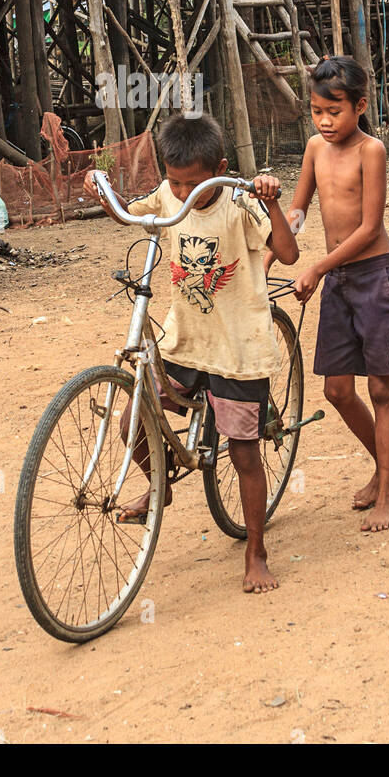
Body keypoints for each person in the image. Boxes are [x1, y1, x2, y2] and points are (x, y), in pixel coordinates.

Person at [83, 113, 298, 593]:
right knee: (131, 421)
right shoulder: (166, 195)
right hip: (184, 341)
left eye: (193, 184)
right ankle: (159, 488)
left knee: (243, 453)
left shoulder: (240, 203)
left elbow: (288, 253)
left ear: (220, 169)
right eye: (175, 182)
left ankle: (256, 551)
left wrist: (270, 200)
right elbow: (129, 213)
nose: (182, 194)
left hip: (237, 349)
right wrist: (102, 191)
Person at [266, 57, 389, 533]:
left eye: (335, 111)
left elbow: (370, 228)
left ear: (360, 106)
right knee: (336, 390)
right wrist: (268, 256)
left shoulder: (372, 151)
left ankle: (386, 491)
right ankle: (388, 464)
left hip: (376, 279)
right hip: (338, 284)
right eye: (317, 112)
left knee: (381, 389)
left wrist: (317, 267)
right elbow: (298, 211)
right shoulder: (314, 149)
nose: (325, 122)